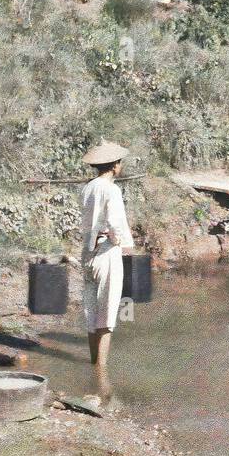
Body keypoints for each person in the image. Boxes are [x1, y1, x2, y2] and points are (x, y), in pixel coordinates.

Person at [79, 141, 134, 376]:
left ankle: (94, 366)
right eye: (119, 163)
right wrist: (121, 241)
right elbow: (114, 224)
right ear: (114, 166)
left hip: (88, 254)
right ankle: (101, 373)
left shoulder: (87, 188)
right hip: (106, 253)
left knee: (92, 313)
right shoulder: (112, 190)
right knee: (107, 314)